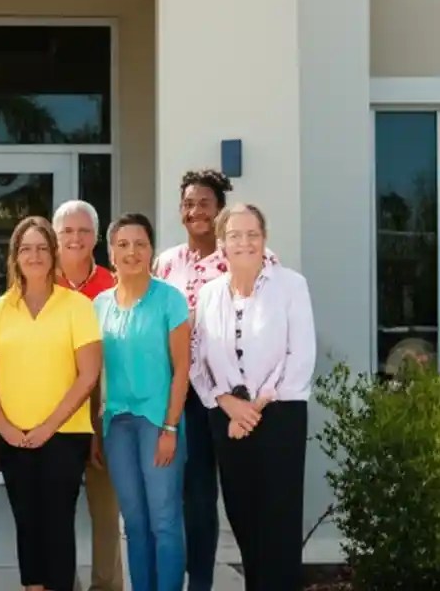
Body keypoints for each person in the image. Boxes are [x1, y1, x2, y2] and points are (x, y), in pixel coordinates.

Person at [153, 169, 278, 591]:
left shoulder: (252, 256)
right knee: (197, 498)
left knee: (247, 496)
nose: (195, 211)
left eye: (204, 203)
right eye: (188, 204)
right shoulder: (166, 262)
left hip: (237, 397)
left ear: (220, 210)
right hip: (187, 394)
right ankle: (200, 584)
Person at [191, 204, 314, 591]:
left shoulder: (291, 285)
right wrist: (225, 402)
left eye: (252, 234)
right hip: (226, 418)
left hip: (279, 415)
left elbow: (301, 354)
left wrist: (255, 408)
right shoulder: (209, 294)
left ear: (264, 239)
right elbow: (196, 358)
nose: (244, 242)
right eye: (235, 235)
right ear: (222, 243)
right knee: (242, 517)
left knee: (278, 523)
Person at [0, 216, 102, 591]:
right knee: (27, 523)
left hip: (64, 435)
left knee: (58, 524)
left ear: (53, 254)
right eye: (25, 248)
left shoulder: (77, 306)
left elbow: (88, 374)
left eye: (41, 248)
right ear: (15, 256)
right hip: (14, 438)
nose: (34, 256)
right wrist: (5, 426)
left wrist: (48, 426)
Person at [94, 213, 191, 591]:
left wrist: (170, 427)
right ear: (111, 253)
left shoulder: (169, 299)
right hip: (117, 424)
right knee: (133, 523)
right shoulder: (99, 305)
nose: (131, 251)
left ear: (151, 251)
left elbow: (182, 367)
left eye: (140, 244)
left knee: (164, 521)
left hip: (157, 422)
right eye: (123, 244)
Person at [51, 200, 124, 591]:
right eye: (67, 231)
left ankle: (107, 586)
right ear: (55, 236)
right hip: (55, 413)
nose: (75, 239)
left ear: (96, 237)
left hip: (104, 409)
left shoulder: (115, 286)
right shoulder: (39, 284)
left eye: (82, 231)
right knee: (57, 513)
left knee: (106, 513)